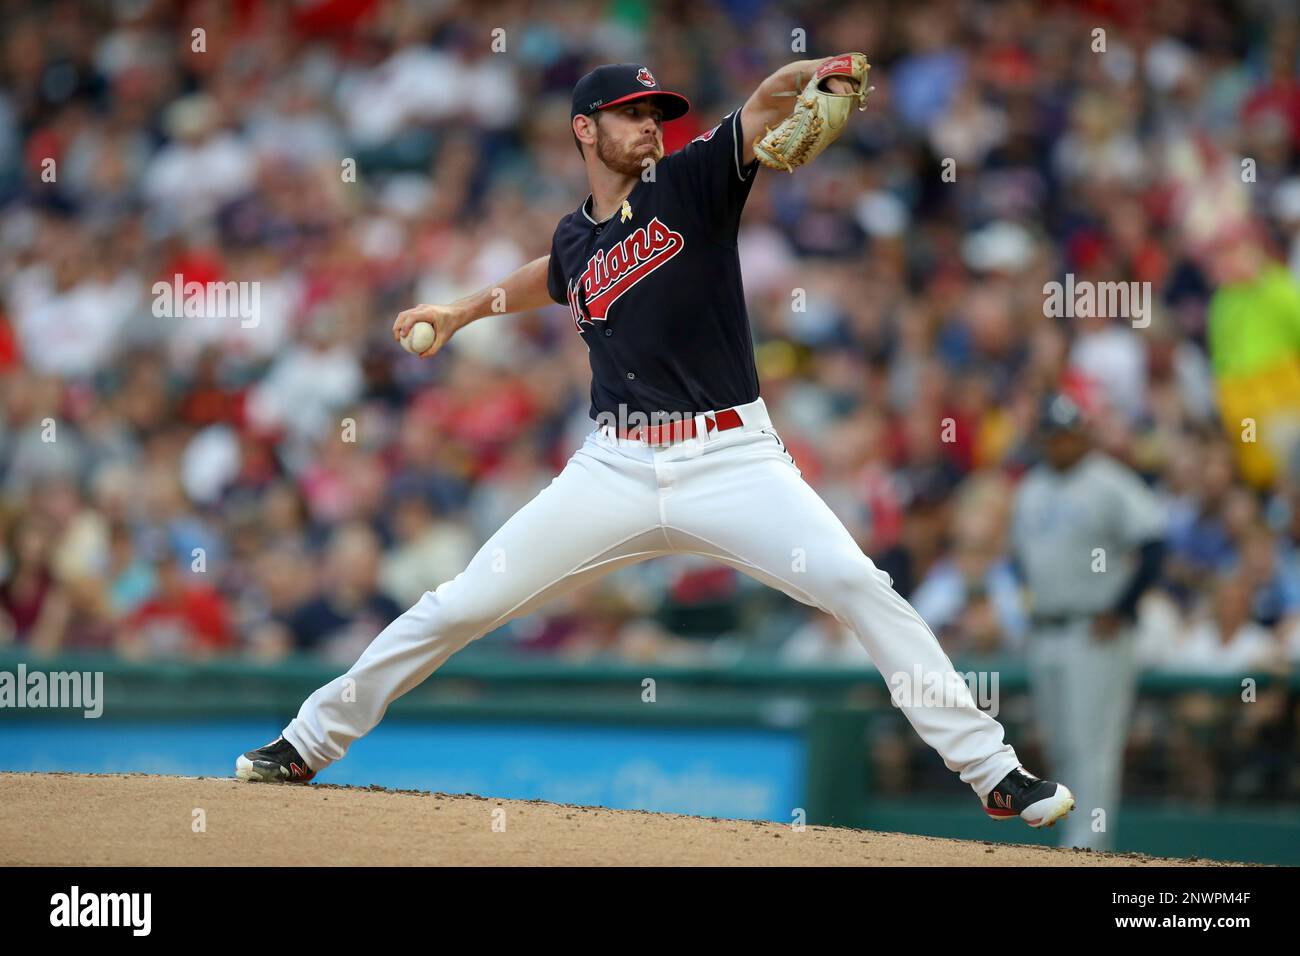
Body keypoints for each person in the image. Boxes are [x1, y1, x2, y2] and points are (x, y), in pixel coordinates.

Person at [236, 59, 1075, 829]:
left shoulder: (691, 181)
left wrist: (809, 73)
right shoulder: (577, 238)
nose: (650, 125)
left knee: (858, 584)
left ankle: (992, 770)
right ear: (584, 128)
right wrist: (459, 310)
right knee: (460, 605)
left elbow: (763, 107)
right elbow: (552, 273)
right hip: (616, 466)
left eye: (656, 114)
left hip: (732, 458)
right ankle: (306, 743)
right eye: (632, 113)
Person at [1010, 393, 1166, 849]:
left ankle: (1088, 849)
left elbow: (1153, 546)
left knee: (1091, 747)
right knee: (1058, 746)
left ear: (1083, 435)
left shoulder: (1109, 482)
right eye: (1053, 435)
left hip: (1094, 632)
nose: (1060, 443)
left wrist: (1123, 608)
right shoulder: (1032, 487)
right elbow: (1021, 560)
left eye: (1067, 434)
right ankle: (1068, 844)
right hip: (1046, 629)